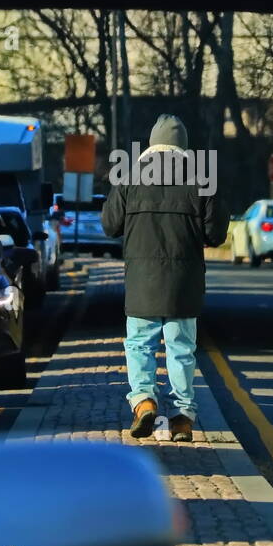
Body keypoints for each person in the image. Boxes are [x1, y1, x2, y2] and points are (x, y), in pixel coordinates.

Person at [101, 114, 228, 442]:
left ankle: (143, 401)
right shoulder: (202, 179)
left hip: (142, 281)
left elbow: (109, 225)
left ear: (151, 145)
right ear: (183, 146)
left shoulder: (129, 178)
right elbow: (215, 234)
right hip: (184, 283)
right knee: (181, 347)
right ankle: (182, 418)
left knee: (140, 344)